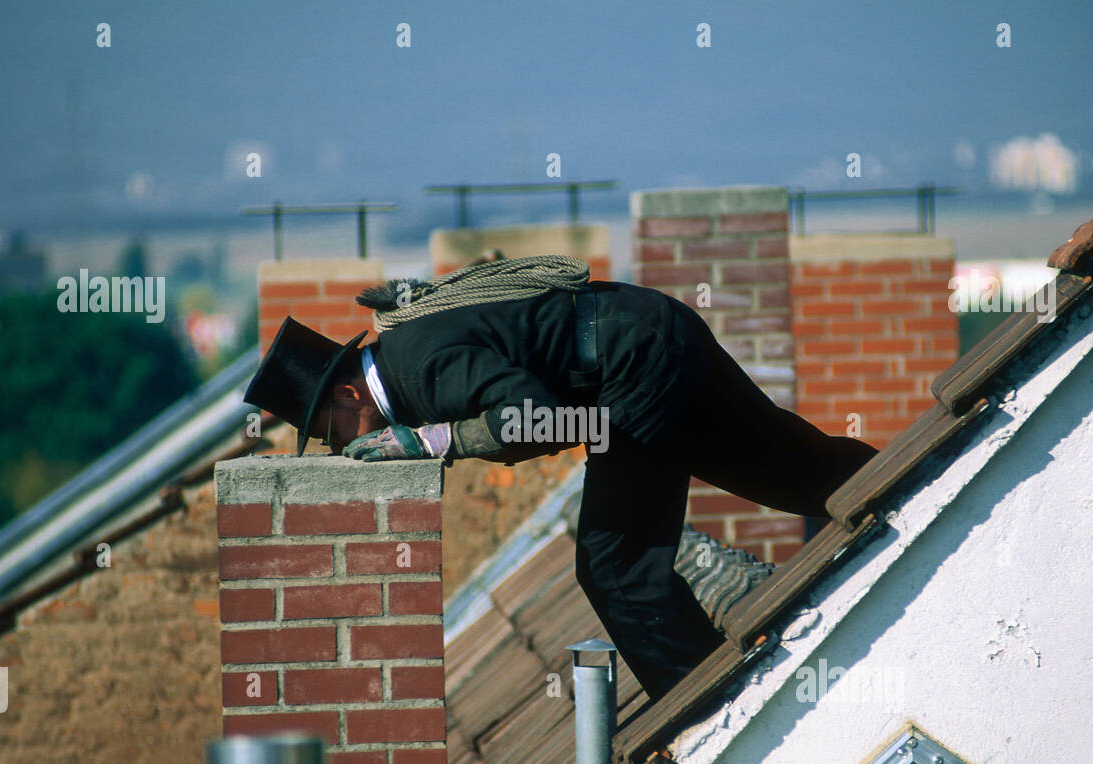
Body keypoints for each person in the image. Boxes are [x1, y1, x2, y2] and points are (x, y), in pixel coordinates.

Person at [244, 256, 877, 701]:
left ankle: (719, 711)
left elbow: (537, 418)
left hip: (636, 364)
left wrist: (436, 440)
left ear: (350, 394)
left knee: (613, 565)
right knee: (792, 469)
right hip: (651, 334)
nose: (342, 448)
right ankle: (904, 486)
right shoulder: (406, 353)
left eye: (330, 432)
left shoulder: (421, 370)